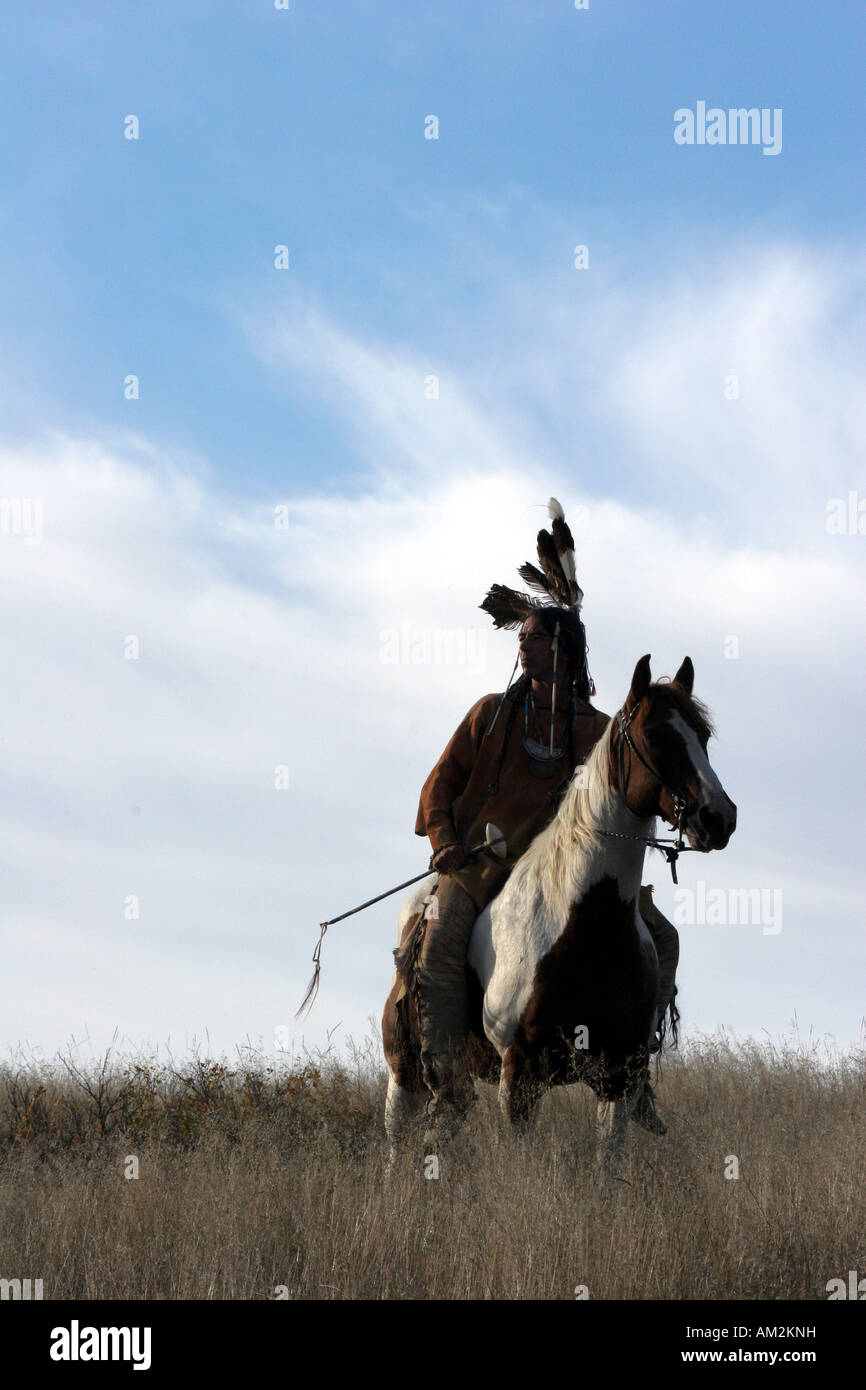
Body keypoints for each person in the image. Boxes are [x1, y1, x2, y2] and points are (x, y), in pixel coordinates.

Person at [412, 501, 679, 1138]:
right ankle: (447, 1090)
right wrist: (446, 840)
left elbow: (633, 782)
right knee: (441, 943)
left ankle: (635, 1078)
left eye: (531, 635)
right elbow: (439, 787)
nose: (521, 643)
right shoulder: (489, 715)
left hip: (572, 876)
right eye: (523, 636)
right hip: (485, 865)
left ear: (560, 649)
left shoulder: (595, 730)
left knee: (662, 939)